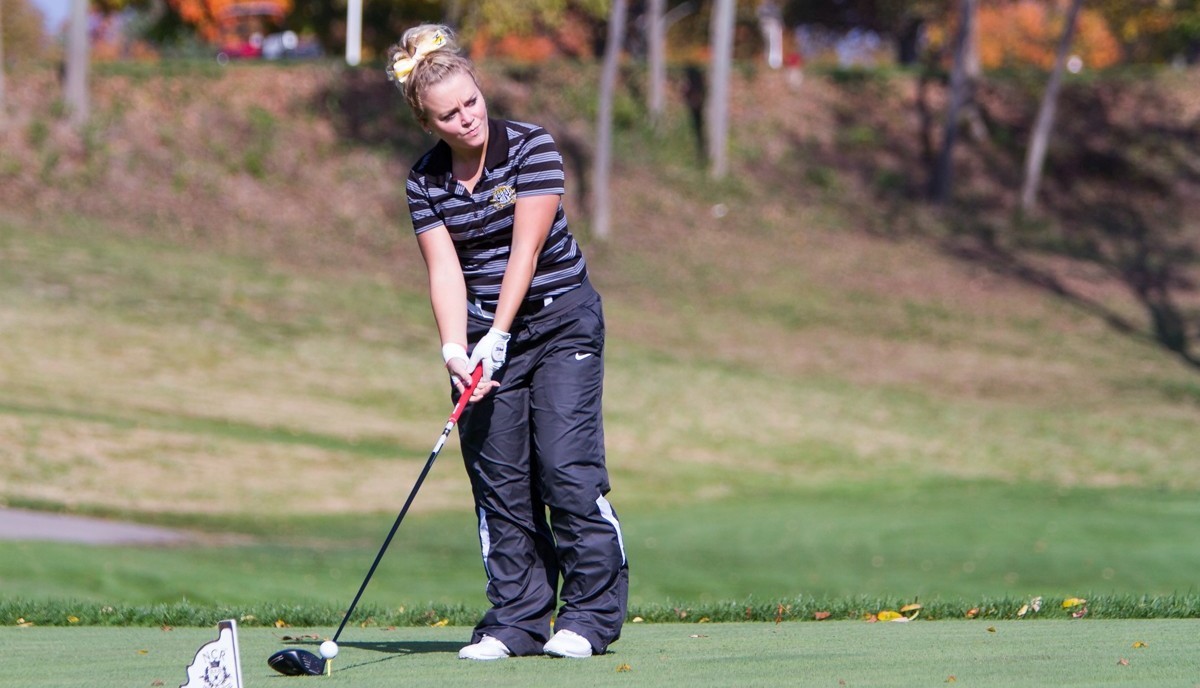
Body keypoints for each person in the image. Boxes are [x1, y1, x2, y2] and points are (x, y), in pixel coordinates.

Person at [385, 24, 629, 661]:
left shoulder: (530, 147)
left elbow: (526, 250)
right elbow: (444, 270)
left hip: (561, 323)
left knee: (567, 470)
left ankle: (591, 616)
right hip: (484, 340)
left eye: (471, 102)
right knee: (500, 482)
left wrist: (496, 333)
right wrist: (455, 350)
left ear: (479, 89)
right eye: (449, 115)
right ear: (428, 122)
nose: (467, 118)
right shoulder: (425, 182)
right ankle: (518, 621)